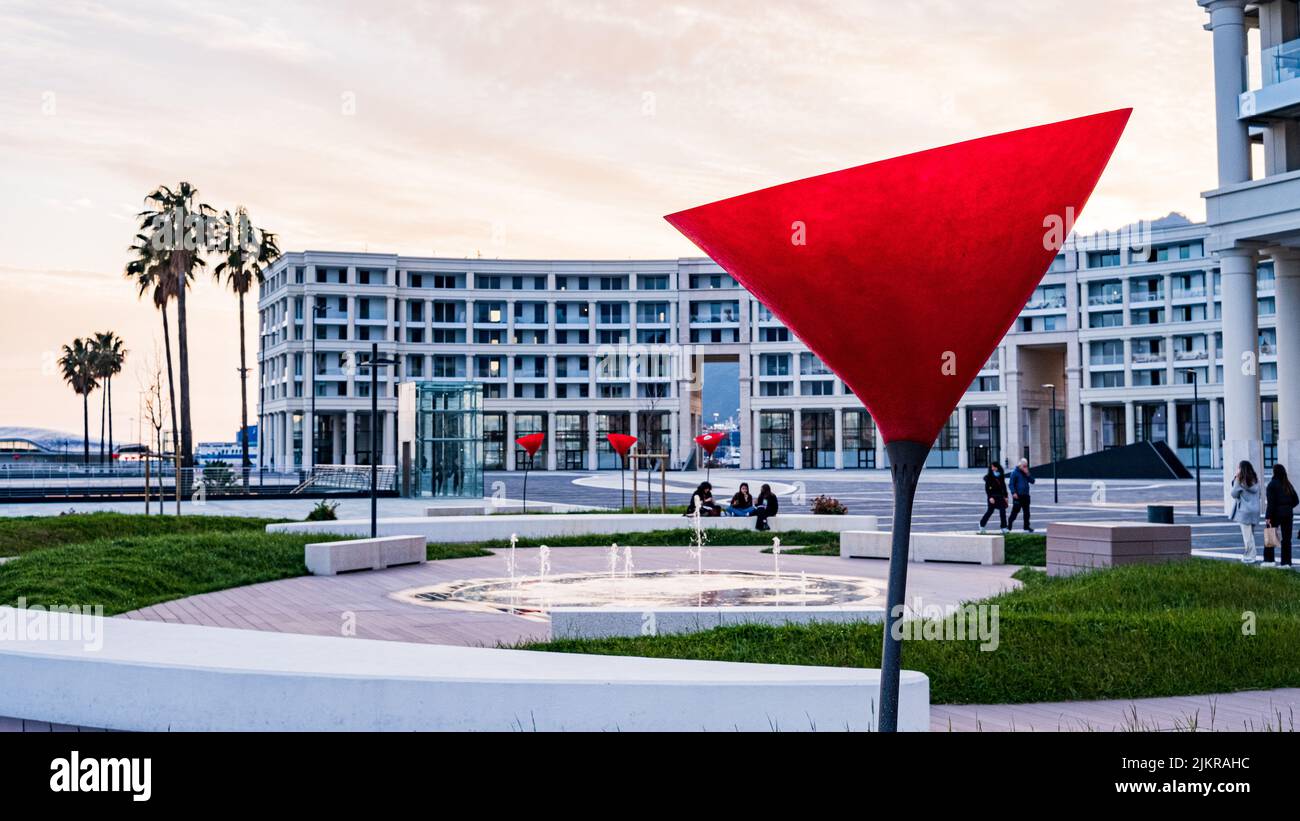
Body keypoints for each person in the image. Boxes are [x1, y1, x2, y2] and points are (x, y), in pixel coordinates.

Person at [1265, 463, 1297, 567]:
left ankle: (1269, 561)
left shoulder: (1272, 485)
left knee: (1270, 535)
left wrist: (1268, 517)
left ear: (1274, 472)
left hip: (1275, 514)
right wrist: (1287, 507)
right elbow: (1296, 500)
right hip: (1288, 514)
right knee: (1287, 539)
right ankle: (1286, 562)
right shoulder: (1287, 484)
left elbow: (1271, 503)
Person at [1230, 460, 1262, 564]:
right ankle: (1249, 555)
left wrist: (1235, 479)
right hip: (1255, 510)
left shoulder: (1240, 480)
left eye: (1238, 468)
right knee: (1251, 534)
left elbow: (1234, 494)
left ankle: (1250, 556)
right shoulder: (1256, 480)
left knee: (1247, 536)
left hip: (1245, 511)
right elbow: (1260, 495)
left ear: (1241, 469)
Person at [979, 460, 1008, 533]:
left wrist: (1006, 496)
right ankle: (982, 525)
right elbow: (987, 488)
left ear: (997, 467)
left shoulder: (1001, 475)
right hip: (992, 497)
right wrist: (990, 497)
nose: (992, 468)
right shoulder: (989, 477)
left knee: (1002, 512)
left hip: (1000, 497)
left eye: (994, 467)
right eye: (991, 467)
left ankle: (1004, 527)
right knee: (990, 511)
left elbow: (1003, 486)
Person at [1007, 457, 1036, 532]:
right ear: (1020, 465)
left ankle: (1026, 527)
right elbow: (1011, 484)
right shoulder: (1015, 472)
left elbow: (1032, 481)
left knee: (1027, 513)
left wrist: (1027, 473)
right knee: (1015, 512)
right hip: (1018, 496)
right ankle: (1009, 525)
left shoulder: (1026, 473)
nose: (1025, 467)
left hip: (1026, 495)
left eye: (1026, 466)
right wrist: (1013, 492)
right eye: (1024, 466)